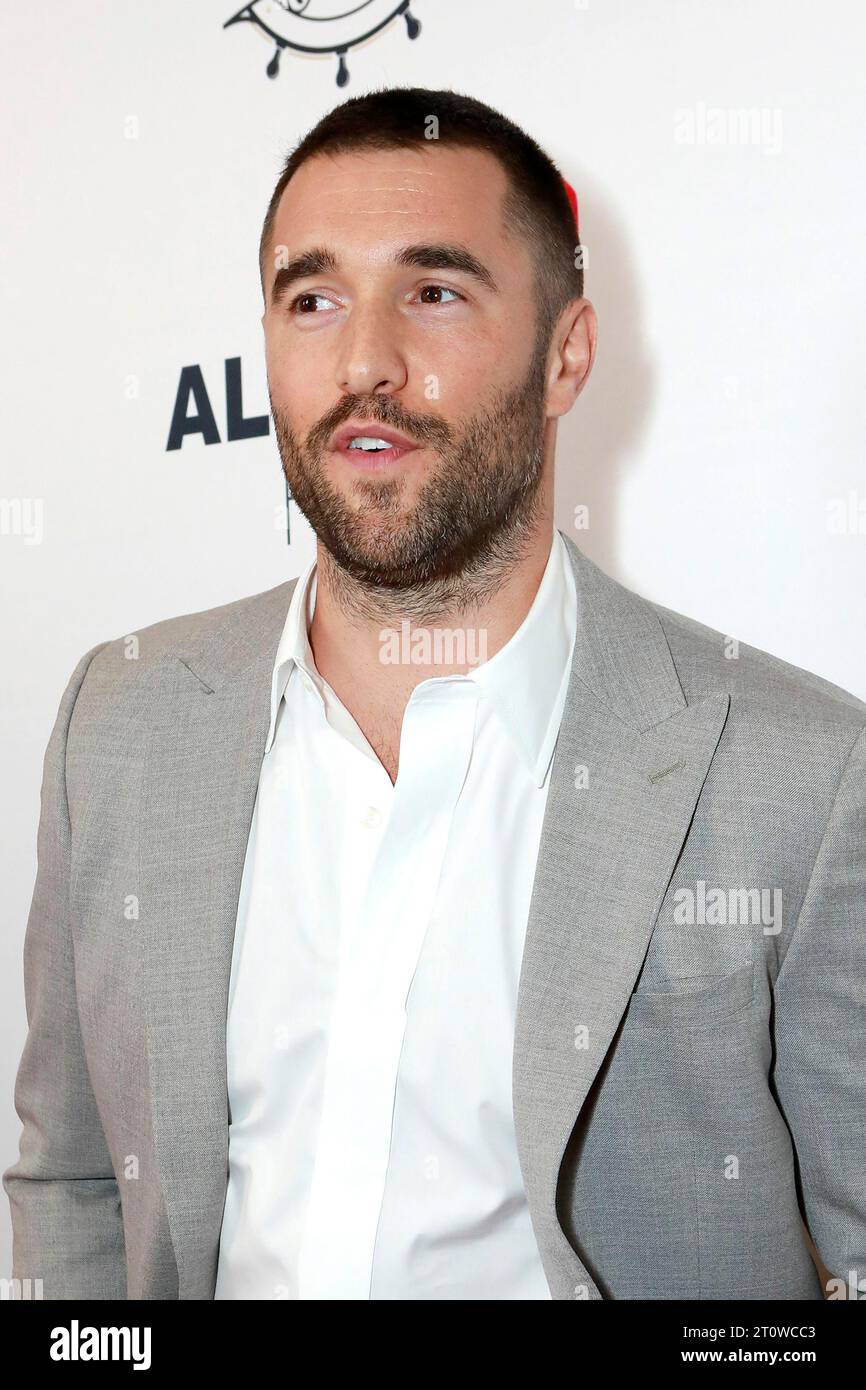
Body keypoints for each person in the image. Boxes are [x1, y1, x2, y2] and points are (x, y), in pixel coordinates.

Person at [5, 87, 865, 1301]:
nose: (363, 363)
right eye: (312, 300)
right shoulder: (121, 722)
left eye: (434, 292)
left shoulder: (803, 774)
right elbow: (75, 1181)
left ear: (565, 354)